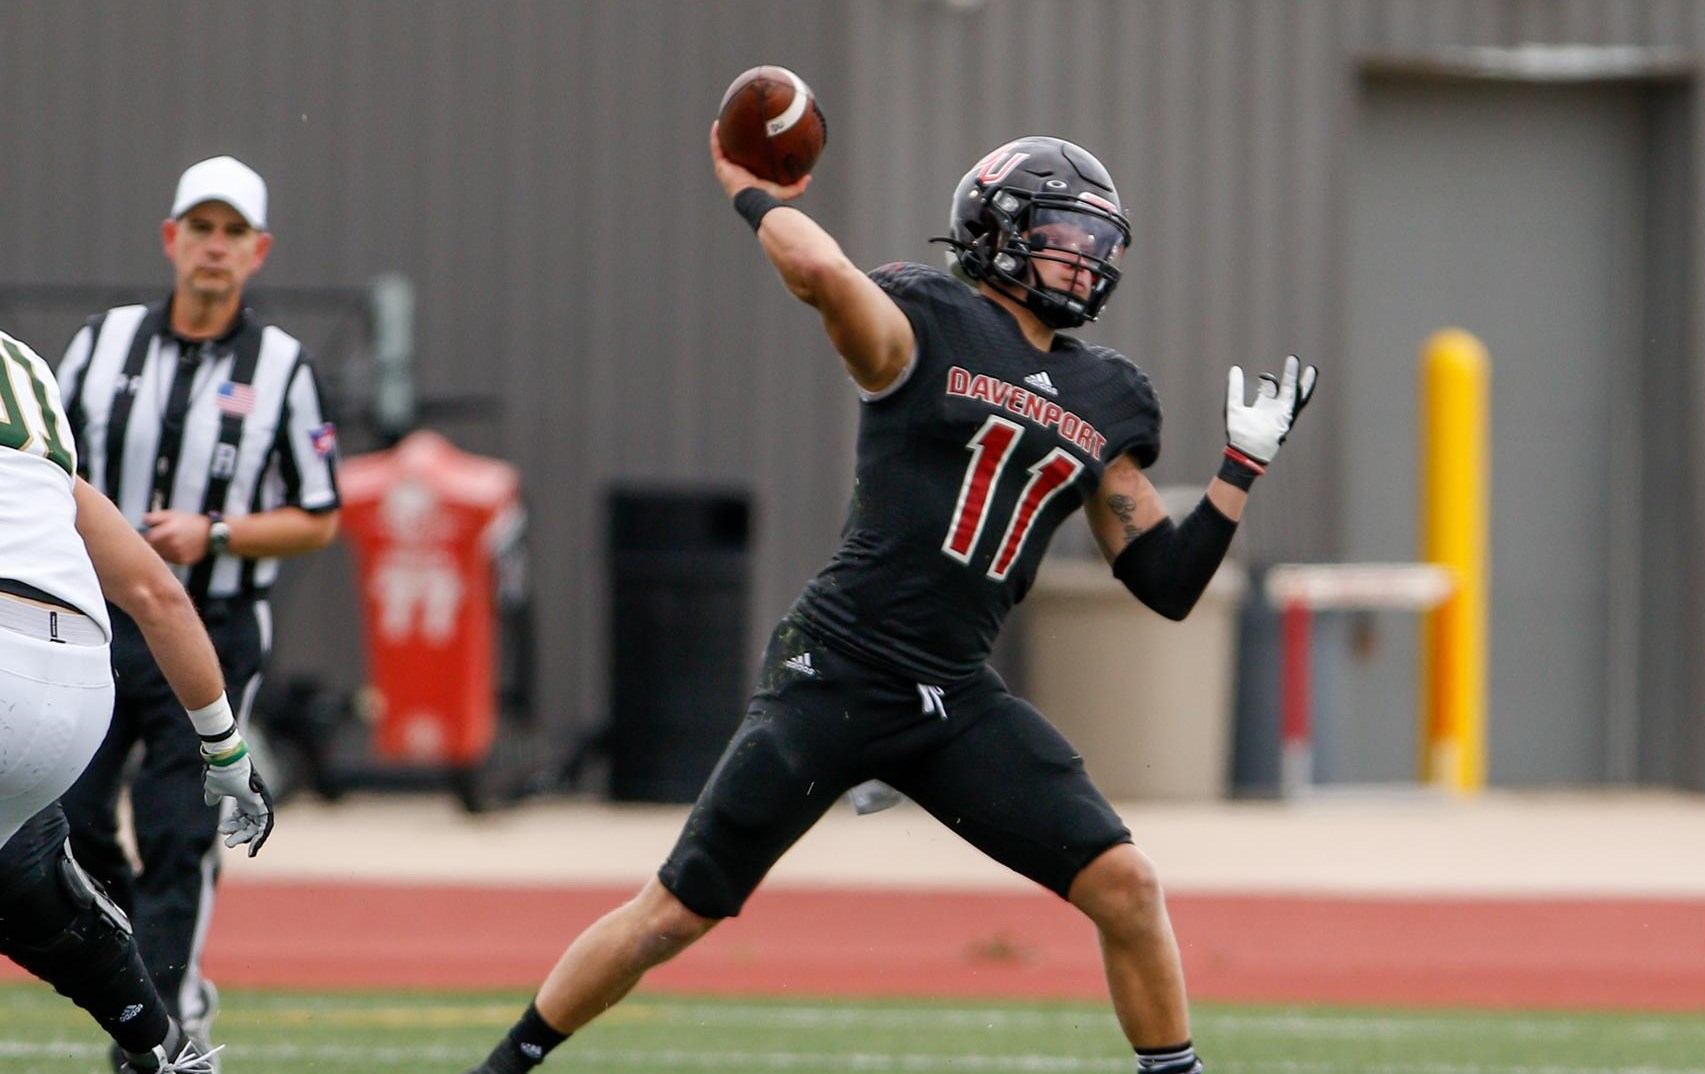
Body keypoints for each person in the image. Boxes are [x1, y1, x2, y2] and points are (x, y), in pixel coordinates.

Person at [463, 127, 1316, 1074]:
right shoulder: (928, 317)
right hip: (836, 668)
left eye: (1095, 244)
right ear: (993, 230)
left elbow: (1167, 583)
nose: (1082, 262)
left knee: (1126, 884)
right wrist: (750, 191)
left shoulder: (1107, 393)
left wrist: (1240, 468)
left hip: (952, 696)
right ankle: (506, 1065)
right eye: (1062, 236)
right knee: (677, 912)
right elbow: (823, 274)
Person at [55, 155, 340, 1060]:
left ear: (258, 253)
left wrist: (215, 533)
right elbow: (44, 468)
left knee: (180, 831)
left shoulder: (284, 369)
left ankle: (164, 1022)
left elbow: (319, 518)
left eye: (233, 234)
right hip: (99, 625)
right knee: (76, 817)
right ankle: (152, 973)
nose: (215, 249)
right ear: (172, 240)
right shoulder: (102, 346)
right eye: (201, 229)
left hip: (212, 629)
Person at [0, 327, 274, 1073]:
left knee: (21, 874)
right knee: (16, 863)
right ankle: (155, 1044)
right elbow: (159, 596)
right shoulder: (41, 448)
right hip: (82, 684)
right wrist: (224, 749)